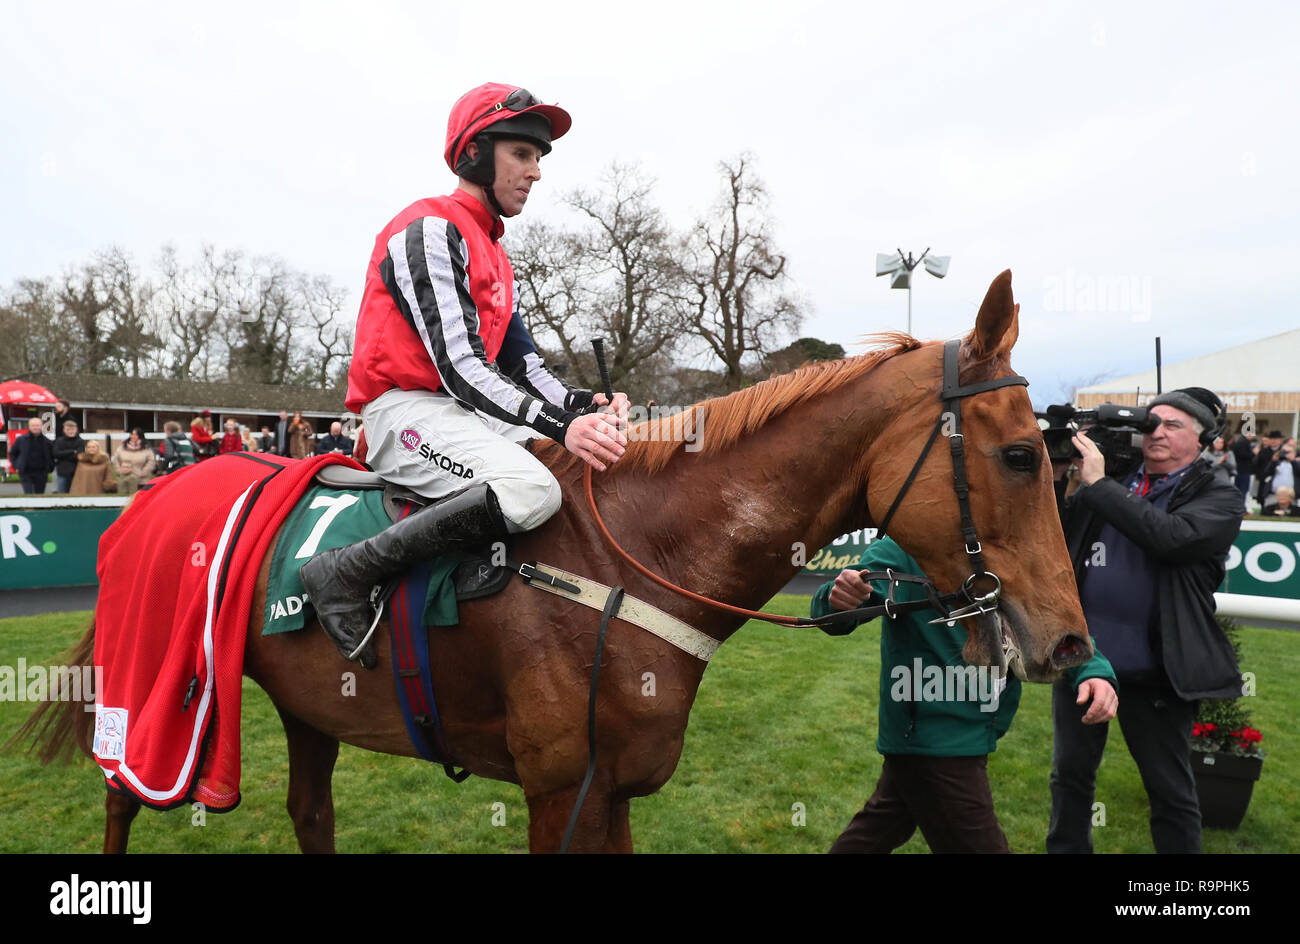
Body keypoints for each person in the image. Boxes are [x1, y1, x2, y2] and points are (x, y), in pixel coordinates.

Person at [301, 82, 629, 668]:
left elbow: (524, 365)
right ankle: (343, 573)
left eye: (538, 158)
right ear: (476, 153)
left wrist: (584, 407)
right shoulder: (428, 228)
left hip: (457, 411)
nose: (535, 172)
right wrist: (560, 424)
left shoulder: (496, 253)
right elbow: (461, 368)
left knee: (567, 462)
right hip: (403, 412)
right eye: (523, 154)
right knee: (533, 489)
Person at [812, 536, 1117, 854]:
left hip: (961, 735)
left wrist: (1091, 668)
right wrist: (838, 599)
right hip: (934, 743)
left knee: (877, 830)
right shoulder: (906, 543)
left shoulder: (1007, 543)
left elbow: (1048, 613)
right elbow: (846, 601)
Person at [1049, 387, 1244, 854]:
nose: (1156, 431)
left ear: (1202, 441)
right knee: (1070, 781)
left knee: (1170, 791)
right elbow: (1053, 532)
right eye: (1149, 423)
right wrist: (1055, 473)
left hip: (1157, 673)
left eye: (1172, 425)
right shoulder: (1117, 481)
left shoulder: (1219, 495)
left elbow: (1171, 538)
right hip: (1084, 659)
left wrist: (1098, 485)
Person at [10, 417, 55, 494]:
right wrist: (16, 466)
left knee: (39, 495)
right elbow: (13, 453)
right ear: (29, 426)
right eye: (33, 425)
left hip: (41, 473)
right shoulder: (21, 440)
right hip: (25, 472)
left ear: (41, 426)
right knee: (28, 494)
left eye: (37, 425)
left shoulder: (47, 441)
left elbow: (52, 455)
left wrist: (50, 467)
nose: (35, 427)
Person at [112, 428, 157, 497]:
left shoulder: (146, 449)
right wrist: (119, 471)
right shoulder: (122, 447)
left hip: (141, 481)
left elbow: (151, 462)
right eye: (132, 434)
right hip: (124, 479)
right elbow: (116, 460)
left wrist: (143, 473)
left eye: (136, 435)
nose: (133, 436)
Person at [51, 419, 86, 493]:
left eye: (73, 429)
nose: (71, 431)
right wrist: (72, 451)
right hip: (62, 473)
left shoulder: (81, 442)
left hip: (77, 473)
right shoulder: (59, 441)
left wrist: (63, 454)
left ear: (76, 429)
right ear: (64, 430)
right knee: (62, 495)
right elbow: (56, 454)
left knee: (76, 495)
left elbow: (79, 456)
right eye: (68, 429)